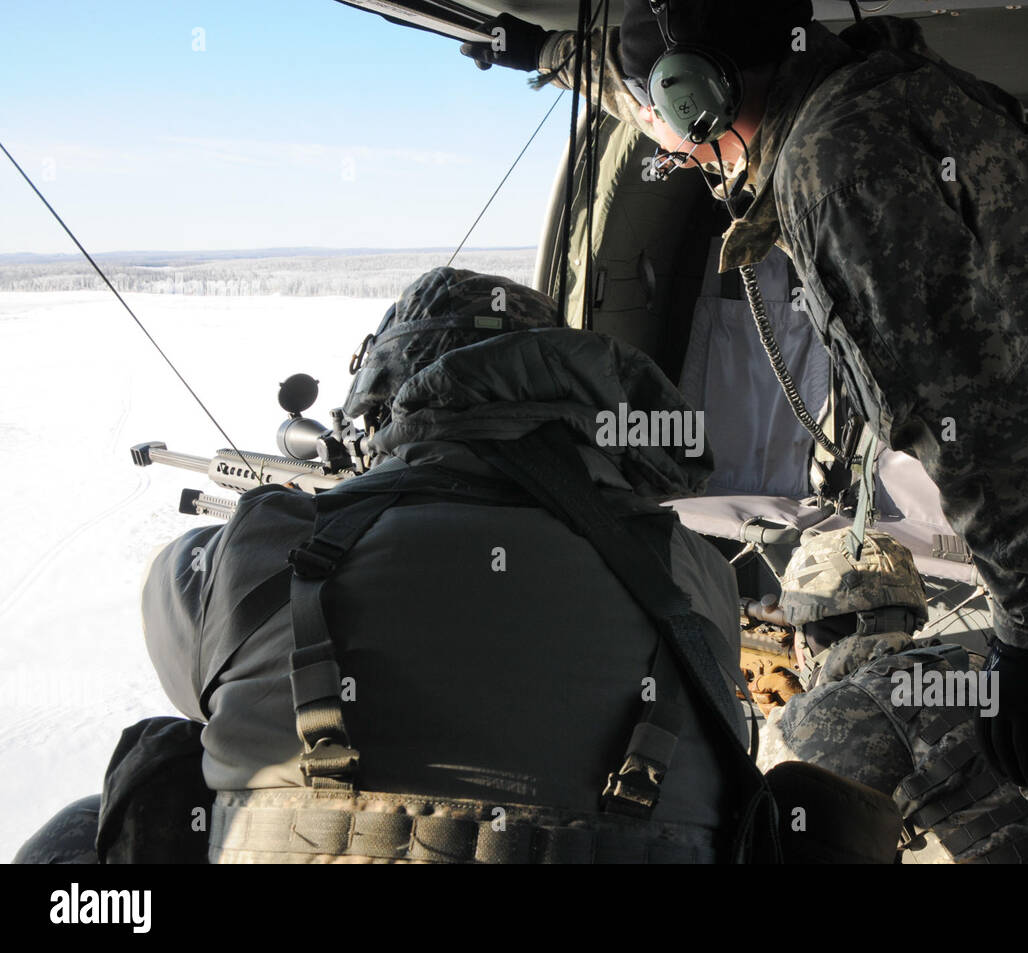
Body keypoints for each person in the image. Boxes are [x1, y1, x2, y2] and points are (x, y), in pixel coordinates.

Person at [463, 3, 1028, 863]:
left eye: (665, 113)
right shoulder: (838, 83)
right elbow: (655, 89)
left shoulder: (838, 171)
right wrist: (545, 52)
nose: (662, 140)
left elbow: (1003, 419)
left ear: (700, 93)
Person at [20, 267, 750, 864]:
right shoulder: (690, 569)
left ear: (383, 395)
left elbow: (175, 624)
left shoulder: (268, 543)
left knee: (128, 789)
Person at [755, 525, 1028, 864]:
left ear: (808, 628)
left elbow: (766, 829)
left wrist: (789, 723)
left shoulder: (821, 714)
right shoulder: (974, 668)